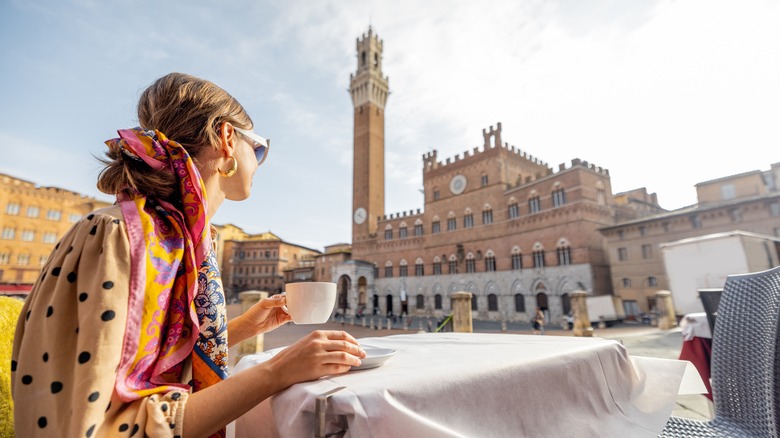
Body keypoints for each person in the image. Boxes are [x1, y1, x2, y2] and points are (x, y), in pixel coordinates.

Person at [11, 72, 366, 438]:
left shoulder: (181, 237)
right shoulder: (118, 237)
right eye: (258, 148)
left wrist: (240, 327)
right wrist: (277, 371)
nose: (260, 161)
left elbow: (149, 368)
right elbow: (98, 427)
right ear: (228, 139)